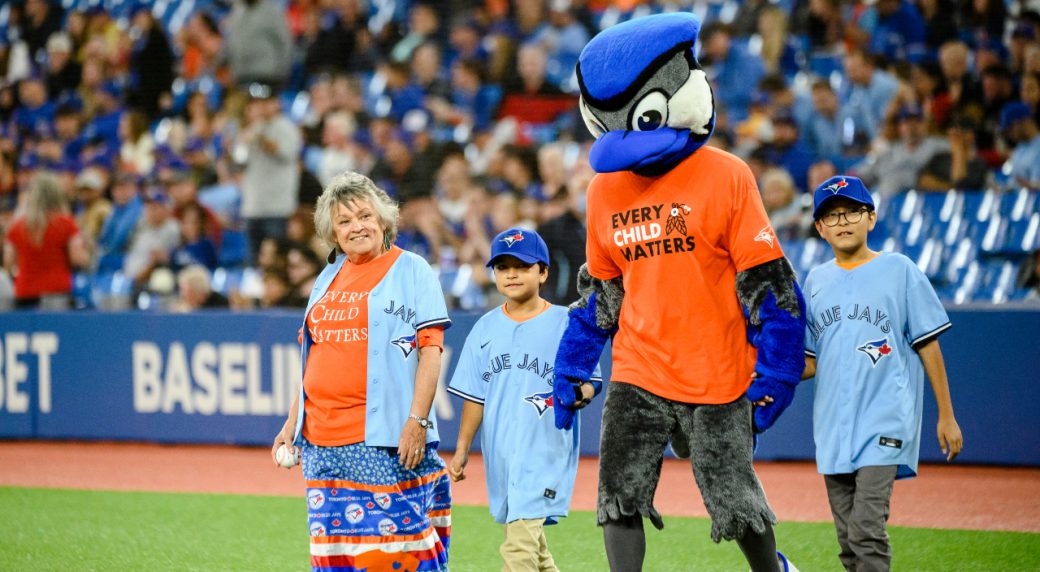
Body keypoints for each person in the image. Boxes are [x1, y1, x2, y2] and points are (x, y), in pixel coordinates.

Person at [270, 172, 451, 571]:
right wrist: (292, 421)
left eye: (365, 216)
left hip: (381, 438)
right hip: (320, 442)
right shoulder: (326, 278)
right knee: (335, 556)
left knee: (399, 554)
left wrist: (417, 421)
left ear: (384, 219)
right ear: (333, 234)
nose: (357, 227)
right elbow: (312, 358)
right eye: (345, 222)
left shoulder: (413, 269)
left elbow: (431, 351)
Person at [801, 175, 964, 571]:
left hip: (884, 419)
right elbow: (809, 362)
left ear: (870, 218)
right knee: (848, 543)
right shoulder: (815, 280)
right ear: (820, 228)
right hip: (832, 427)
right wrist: (760, 375)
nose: (842, 221)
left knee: (866, 531)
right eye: (831, 215)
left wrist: (946, 414)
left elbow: (929, 345)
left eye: (852, 212)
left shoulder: (899, 269)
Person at [447, 227, 602, 572]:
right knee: (534, 548)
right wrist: (461, 449)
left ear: (543, 272)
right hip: (500, 450)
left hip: (545, 447)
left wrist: (581, 394)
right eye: (503, 267)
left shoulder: (566, 322)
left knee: (518, 548)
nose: (512, 274)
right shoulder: (484, 328)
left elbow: (592, 382)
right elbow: (475, 396)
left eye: (522, 265)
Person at [3, 171, 89, 309]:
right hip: (57, 291)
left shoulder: (17, 226)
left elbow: (8, 262)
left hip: (25, 290)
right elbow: (78, 258)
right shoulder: (66, 224)